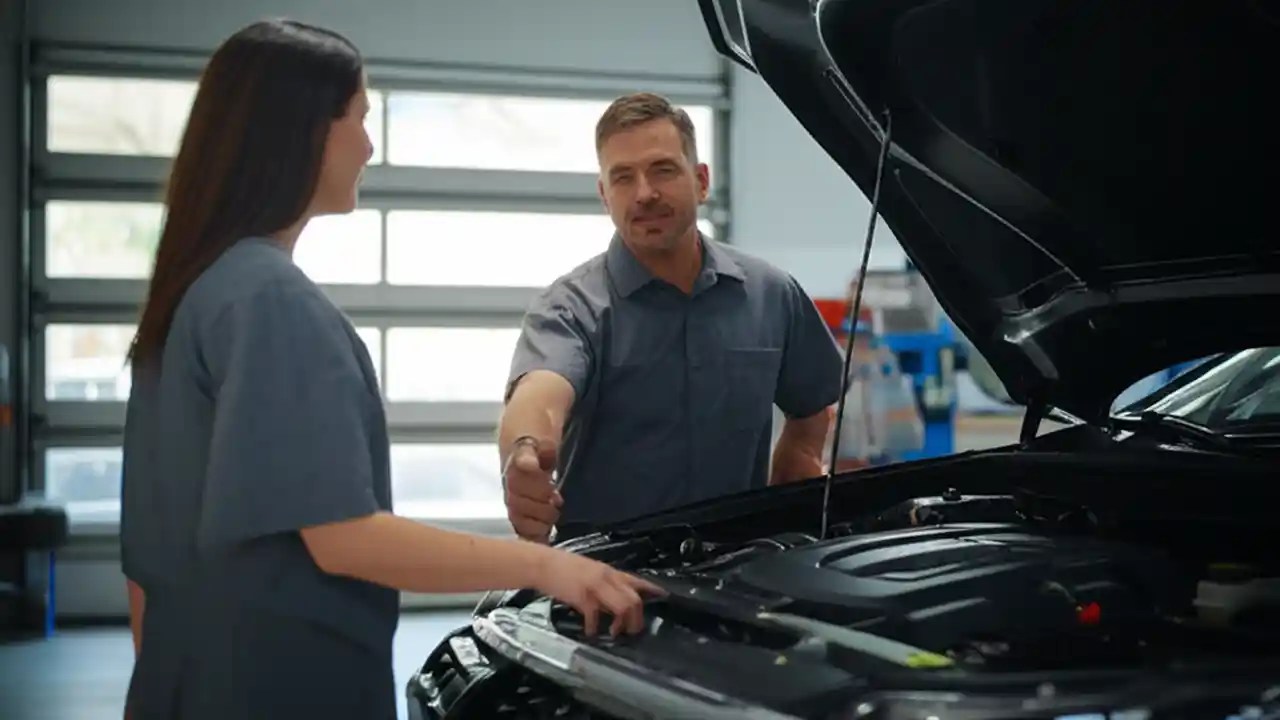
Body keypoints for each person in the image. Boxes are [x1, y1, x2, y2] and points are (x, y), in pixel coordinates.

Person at [119, 20, 661, 720]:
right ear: (308, 130)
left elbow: (143, 575)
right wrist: (551, 568)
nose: (370, 145)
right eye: (361, 117)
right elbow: (347, 537)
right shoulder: (270, 299)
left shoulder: (191, 295)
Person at [500, 92, 844, 544]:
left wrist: (797, 462)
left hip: (742, 563)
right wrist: (525, 450)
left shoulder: (772, 294)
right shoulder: (571, 307)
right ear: (605, 195)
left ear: (701, 181)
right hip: (603, 577)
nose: (645, 193)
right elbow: (541, 393)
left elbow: (812, 404)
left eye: (663, 169)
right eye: (623, 178)